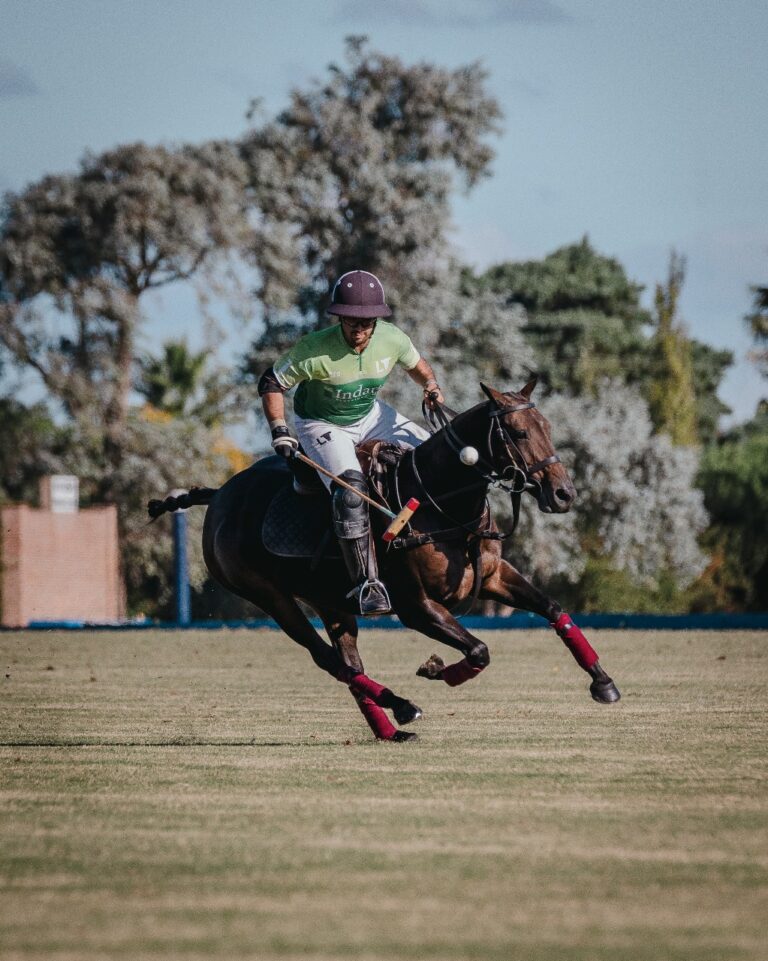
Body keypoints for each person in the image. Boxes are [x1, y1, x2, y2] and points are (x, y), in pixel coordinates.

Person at [258, 269, 444, 616]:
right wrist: (279, 428)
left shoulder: (393, 339)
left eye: (366, 322)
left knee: (434, 455)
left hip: (371, 416)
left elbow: (418, 365)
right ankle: (367, 583)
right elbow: (271, 382)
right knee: (350, 490)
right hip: (321, 423)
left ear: (377, 319)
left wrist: (430, 385)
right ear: (339, 317)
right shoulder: (313, 349)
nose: (358, 329)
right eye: (350, 321)